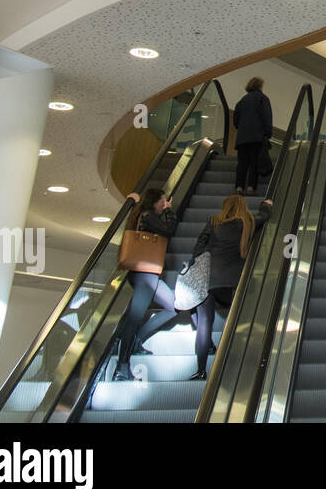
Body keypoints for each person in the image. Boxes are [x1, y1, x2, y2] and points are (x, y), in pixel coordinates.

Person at [188, 193, 272, 380]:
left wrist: (193, 266)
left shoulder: (214, 222)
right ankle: (233, 369)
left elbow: (198, 248)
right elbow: (264, 216)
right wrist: (266, 205)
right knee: (236, 324)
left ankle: (201, 370)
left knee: (204, 324)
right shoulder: (247, 222)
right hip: (234, 282)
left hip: (209, 280)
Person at [113, 187, 180, 381]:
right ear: (154, 202)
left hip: (146, 274)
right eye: (162, 201)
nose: (164, 204)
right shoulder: (149, 215)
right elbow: (169, 230)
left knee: (172, 305)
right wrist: (169, 210)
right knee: (134, 318)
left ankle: (136, 340)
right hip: (144, 275)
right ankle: (122, 367)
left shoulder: (144, 215)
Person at [232, 77, 273, 196]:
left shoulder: (241, 101)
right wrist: (267, 132)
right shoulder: (263, 99)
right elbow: (267, 116)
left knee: (242, 162)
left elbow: (236, 121)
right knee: (254, 161)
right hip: (257, 136)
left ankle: (239, 186)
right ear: (260, 86)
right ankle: (250, 186)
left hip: (242, 138)